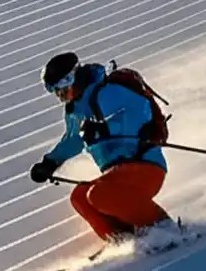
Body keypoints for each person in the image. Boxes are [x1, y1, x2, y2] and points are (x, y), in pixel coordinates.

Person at [29, 52, 178, 248]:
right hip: (116, 173)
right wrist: (50, 162)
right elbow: (74, 140)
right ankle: (125, 242)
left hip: (143, 163)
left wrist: (105, 128)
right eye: (55, 92)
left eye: (62, 88)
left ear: (74, 77)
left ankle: (166, 230)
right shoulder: (75, 109)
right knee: (80, 197)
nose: (60, 96)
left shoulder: (108, 91)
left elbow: (139, 110)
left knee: (99, 195)